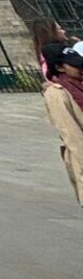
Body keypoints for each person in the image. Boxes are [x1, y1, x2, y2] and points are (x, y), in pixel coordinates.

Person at [40, 43, 83, 207]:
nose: (80, 69)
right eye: (75, 65)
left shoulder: (79, 85)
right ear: (59, 67)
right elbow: (71, 133)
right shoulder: (57, 93)